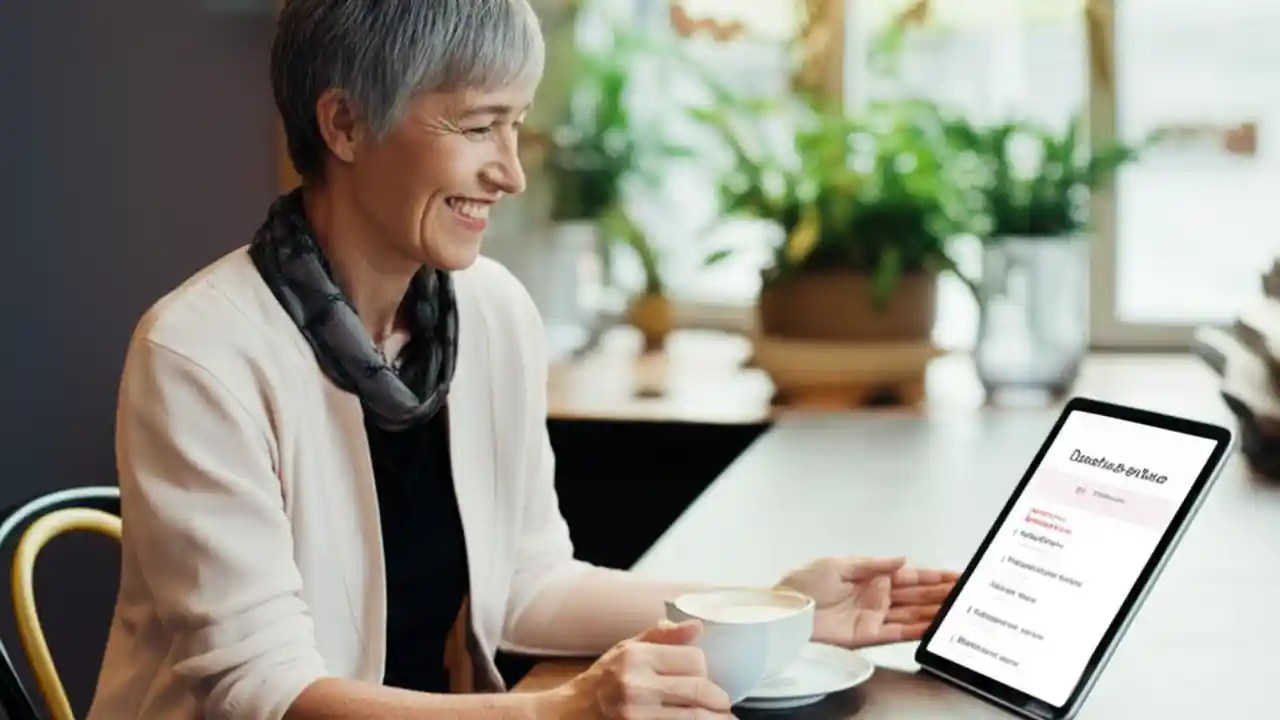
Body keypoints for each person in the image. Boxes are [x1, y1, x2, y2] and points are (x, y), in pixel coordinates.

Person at [87, 1, 958, 718]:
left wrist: (772, 608)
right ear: (345, 123)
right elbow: (264, 693)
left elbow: (528, 585)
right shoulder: (199, 354)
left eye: (517, 125)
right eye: (478, 126)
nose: (511, 172)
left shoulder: (491, 311)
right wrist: (559, 711)